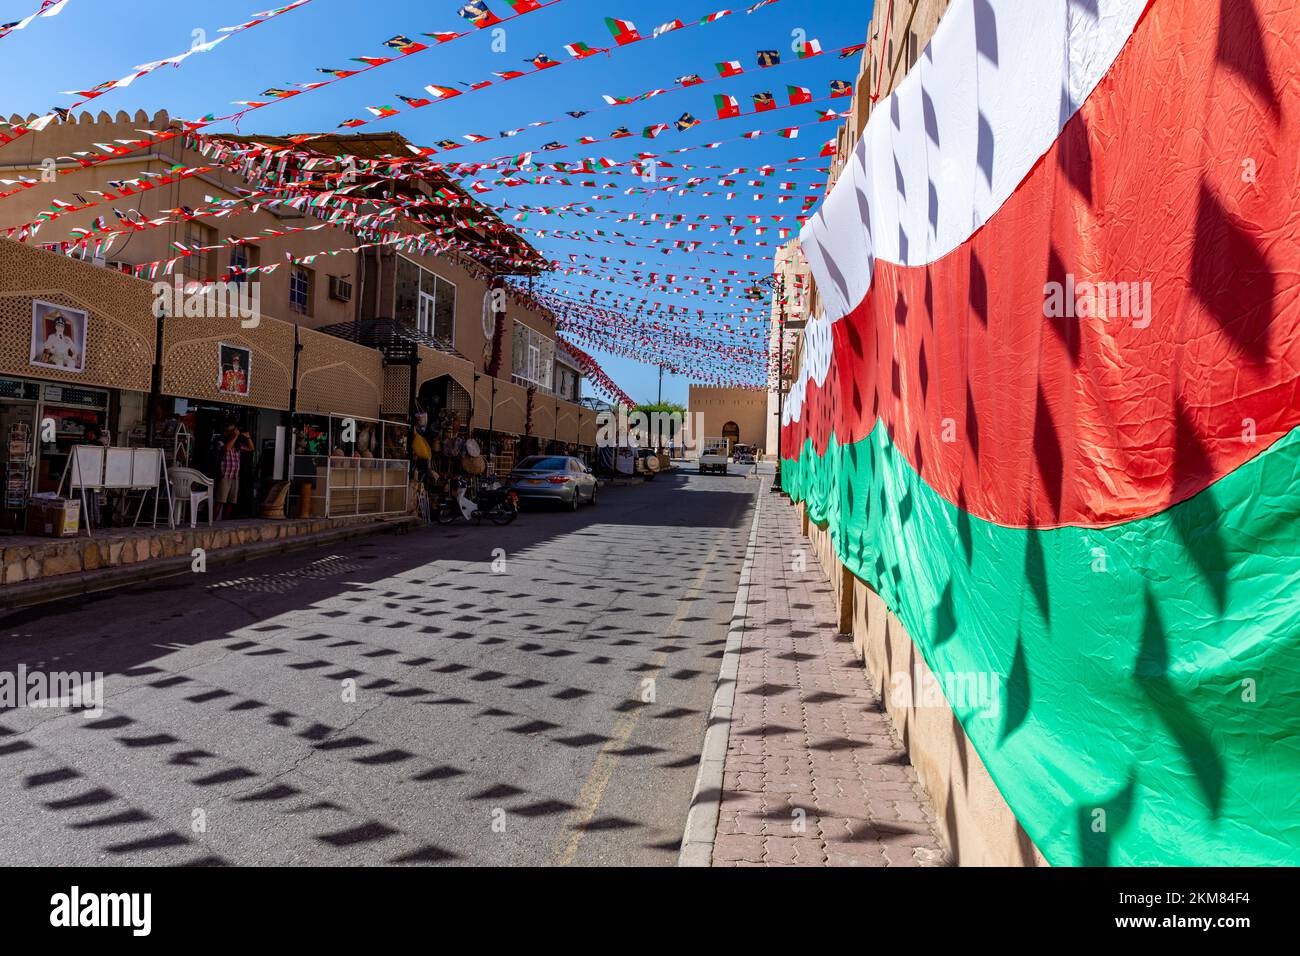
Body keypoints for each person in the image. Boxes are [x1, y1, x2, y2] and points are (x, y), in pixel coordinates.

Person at [215, 423, 253, 520]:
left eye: (233, 431)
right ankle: (212, 522)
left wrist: (248, 437)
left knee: (231, 502)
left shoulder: (237, 445)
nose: (232, 433)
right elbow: (226, 448)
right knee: (220, 501)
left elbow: (251, 448)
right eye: (230, 431)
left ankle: (225, 522)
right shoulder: (220, 441)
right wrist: (235, 436)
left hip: (235, 477)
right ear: (225, 432)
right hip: (224, 476)